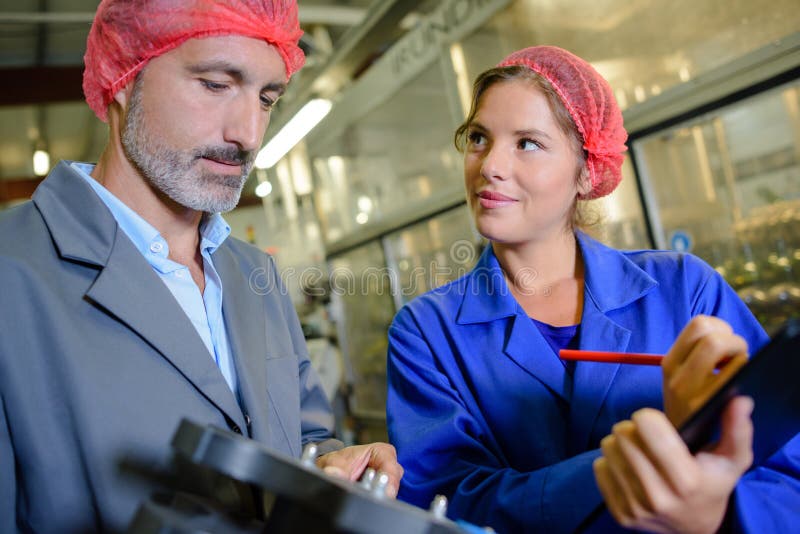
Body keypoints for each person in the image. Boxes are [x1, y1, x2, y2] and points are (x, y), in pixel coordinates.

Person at [0, 1, 401, 532]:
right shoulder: (14, 273)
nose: (248, 134)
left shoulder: (254, 276)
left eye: (266, 98)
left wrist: (332, 466)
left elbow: (303, 440)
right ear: (124, 78)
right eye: (215, 84)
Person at [386, 45, 799, 533]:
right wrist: (649, 461)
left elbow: (785, 465)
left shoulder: (684, 288)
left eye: (528, 143)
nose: (490, 165)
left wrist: (722, 513)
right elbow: (446, 500)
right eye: (479, 137)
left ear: (586, 171)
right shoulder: (425, 331)